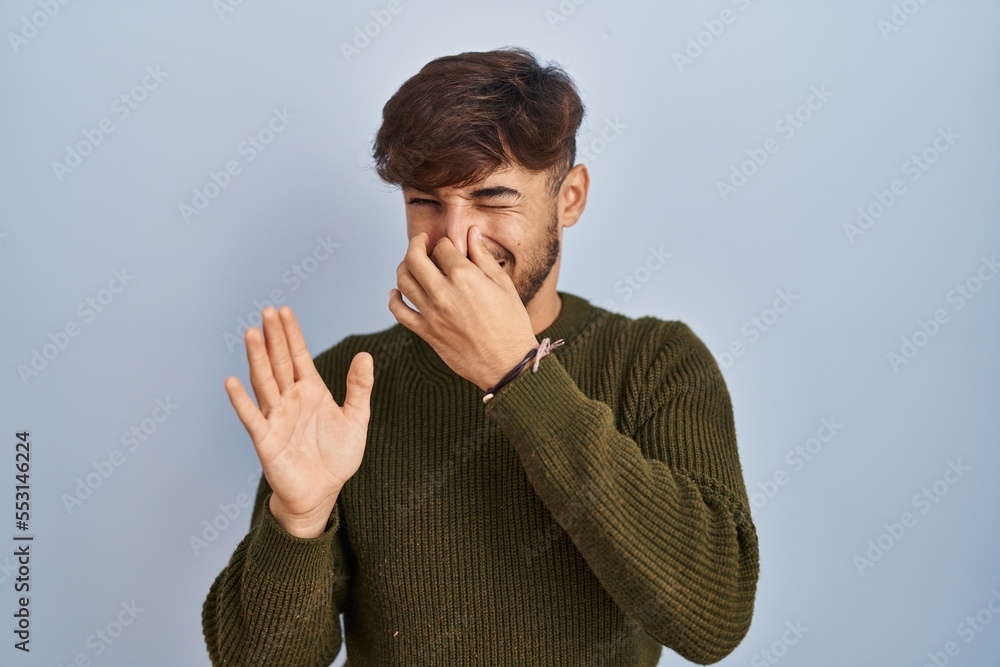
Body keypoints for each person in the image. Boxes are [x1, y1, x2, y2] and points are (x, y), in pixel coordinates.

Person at [201, 46, 759, 666]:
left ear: (569, 198)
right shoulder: (345, 384)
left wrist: (518, 376)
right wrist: (297, 519)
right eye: (425, 202)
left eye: (493, 198)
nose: (456, 240)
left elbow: (716, 619)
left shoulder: (658, 362)